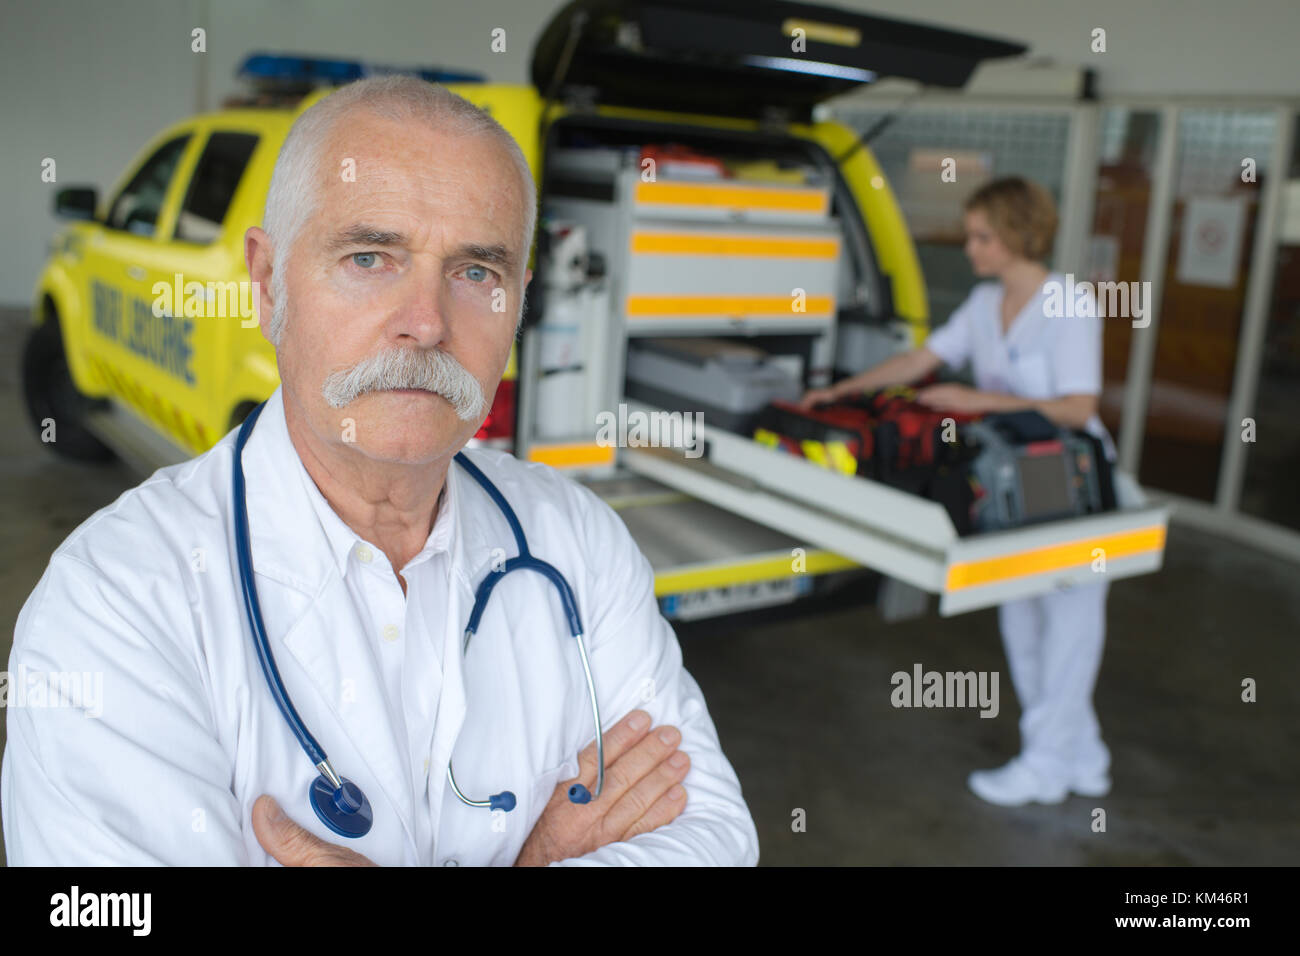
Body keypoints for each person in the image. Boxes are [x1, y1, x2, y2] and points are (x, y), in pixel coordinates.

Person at [2, 76, 759, 866]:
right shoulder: (114, 603)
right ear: (266, 284)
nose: (426, 323)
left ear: (519, 304)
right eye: (370, 257)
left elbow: (712, 841)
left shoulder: (580, 546)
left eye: (476, 273)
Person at [801, 176, 1116, 807]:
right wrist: (844, 392)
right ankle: (1084, 756)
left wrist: (980, 399)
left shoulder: (1070, 303)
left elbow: (1079, 408)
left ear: (1018, 235)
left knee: (1069, 627)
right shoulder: (982, 304)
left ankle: (1047, 764)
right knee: (1021, 620)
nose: (970, 247)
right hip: (1013, 481)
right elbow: (921, 361)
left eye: (982, 236)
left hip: (1071, 480)